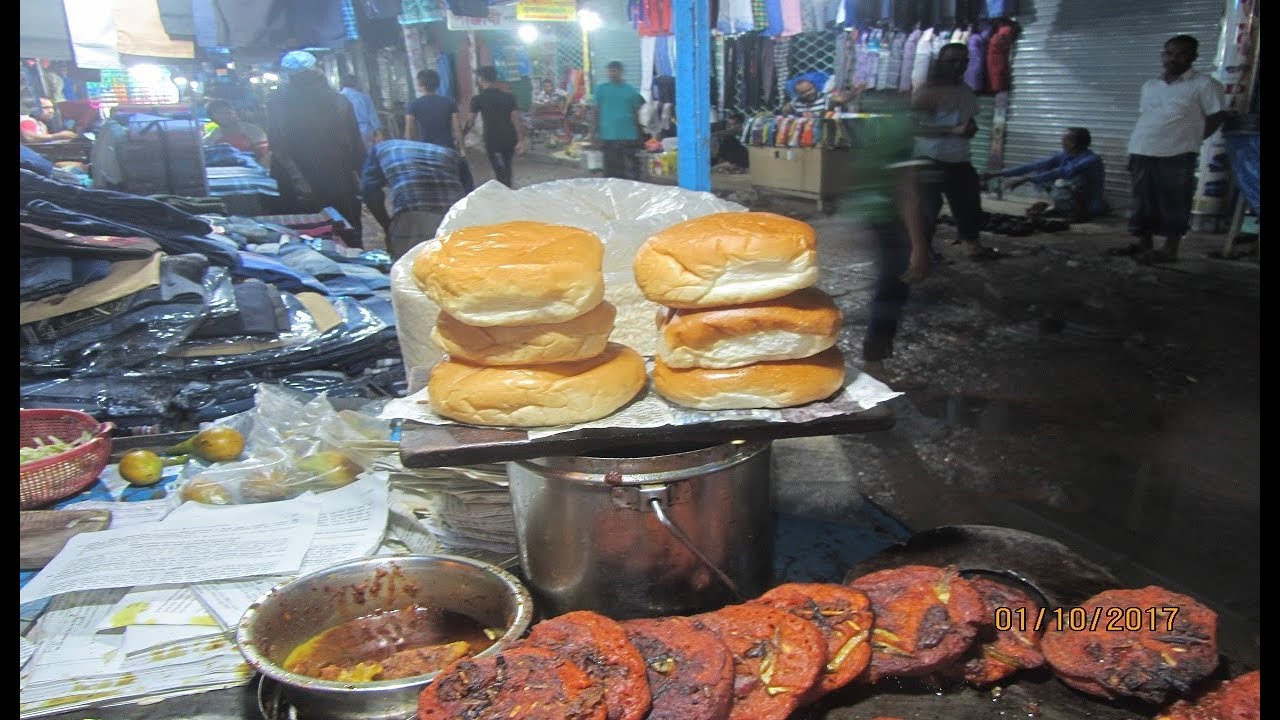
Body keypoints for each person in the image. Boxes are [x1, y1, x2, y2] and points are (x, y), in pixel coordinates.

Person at [1115, 34, 1228, 263]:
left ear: (1193, 57)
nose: (1173, 58)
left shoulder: (1205, 84)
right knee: (1142, 201)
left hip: (1177, 153)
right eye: (1169, 52)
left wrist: (1195, 138)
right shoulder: (1150, 85)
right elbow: (1148, 117)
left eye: (1182, 53)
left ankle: (1169, 249)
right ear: (1162, 55)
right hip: (1142, 149)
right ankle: (1143, 244)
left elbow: (1218, 115)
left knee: (1174, 202)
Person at [842, 95, 930, 380]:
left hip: (870, 211)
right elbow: (908, 192)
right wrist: (919, 246)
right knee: (894, 286)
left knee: (890, 284)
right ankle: (874, 358)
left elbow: (855, 169)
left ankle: (875, 355)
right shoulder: (903, 127)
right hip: (889, 217)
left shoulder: (877, 121)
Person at [267, 51, 368, 244]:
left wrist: (298, 180)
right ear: (316, 72)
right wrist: (364, 180)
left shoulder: (278, 102)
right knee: (346, 232)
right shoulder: (338, 101)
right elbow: (354, 145)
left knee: (302, 237)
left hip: (296, 182)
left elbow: (277, 144)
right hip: (335, 178)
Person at [912, 42, 995, 260]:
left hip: (959, 158)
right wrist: (952, 130)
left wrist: (970, 128)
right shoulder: (928, 91)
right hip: (930, 158)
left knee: (969, 203)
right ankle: (922, 252)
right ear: (941, 63)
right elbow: (914, 128)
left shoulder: (965, 90)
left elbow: (968, 119)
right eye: (953, 61)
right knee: (928, 209)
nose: (959, 65)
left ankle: (972, 245)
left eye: (964, 60)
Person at [361, 138, 472, 260]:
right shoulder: (449, 153)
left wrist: (387, 225)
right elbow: (471, 193)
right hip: (453, 212)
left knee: (408, 266)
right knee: (456, 260)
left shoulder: (379, 150)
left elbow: (369, 191)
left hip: (413, 211)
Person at [982, 127, 1106, 221]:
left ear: (1072, 143)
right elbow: (1033, 165)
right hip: (1073, 197)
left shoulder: (1091, 160)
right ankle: (1062, 206)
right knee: (1042, 170)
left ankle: (1077, 212)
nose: (1061, 142)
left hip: (1090, 206)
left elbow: (1060, 172)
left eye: (1064, 139)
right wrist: (995, 174)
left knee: (1073, 179)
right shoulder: (1065, 155)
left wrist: (1026, 179)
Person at [465, 66, 524, 188]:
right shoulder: (509, 97)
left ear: (480, 79)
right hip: (509, 137)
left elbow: (470, 122)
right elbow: (516, 119)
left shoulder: (478, 99)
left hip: (492, 139)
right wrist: (520, 140)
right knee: (507, 166)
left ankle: (504, 193)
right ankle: (508, 190)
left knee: (498, 169)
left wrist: (461, 136)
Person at [592, 61, 646, 180]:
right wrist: (594, 132)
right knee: (611, 169)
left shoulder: (631, 91)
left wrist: (640, 132)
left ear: (621, 72)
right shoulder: (602, 90)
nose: (612, 74)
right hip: (608, 134)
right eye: (610, 71)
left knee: (631, 169)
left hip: (628, 134)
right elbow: (596, 111)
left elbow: (637, 112)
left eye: (614, 71)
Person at [405, 69, 462, 152]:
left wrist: (410, 151)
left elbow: (409, 132)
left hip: (426, 150)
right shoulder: (449, 102)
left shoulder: (413, 104)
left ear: (421, 85)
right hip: (447, 149)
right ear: (437, 84)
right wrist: (463, 150)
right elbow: (457, 129)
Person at [204, 99, 271, 168]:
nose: (225, 116)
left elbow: (266, 156)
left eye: (228, 112)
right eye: (219, 113)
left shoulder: (254, 132)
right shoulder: (210, 140)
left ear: (235, 113)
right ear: (212, 118)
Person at [340, 74, 383, 151]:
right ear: (355, 83)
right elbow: (373, 117)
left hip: (347, 132)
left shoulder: (338, 98)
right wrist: (379, 134)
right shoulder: (364, 97)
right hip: (365, 131)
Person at [781, 75, 853, 116]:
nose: (808, 93)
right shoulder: (796, 103)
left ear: (815, 87)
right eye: (803, 92)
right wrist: (786, 110)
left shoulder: (825, 98)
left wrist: (854, 92)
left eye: (810, 89)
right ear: (798, 94)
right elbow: (785, 111)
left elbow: (842, 99)